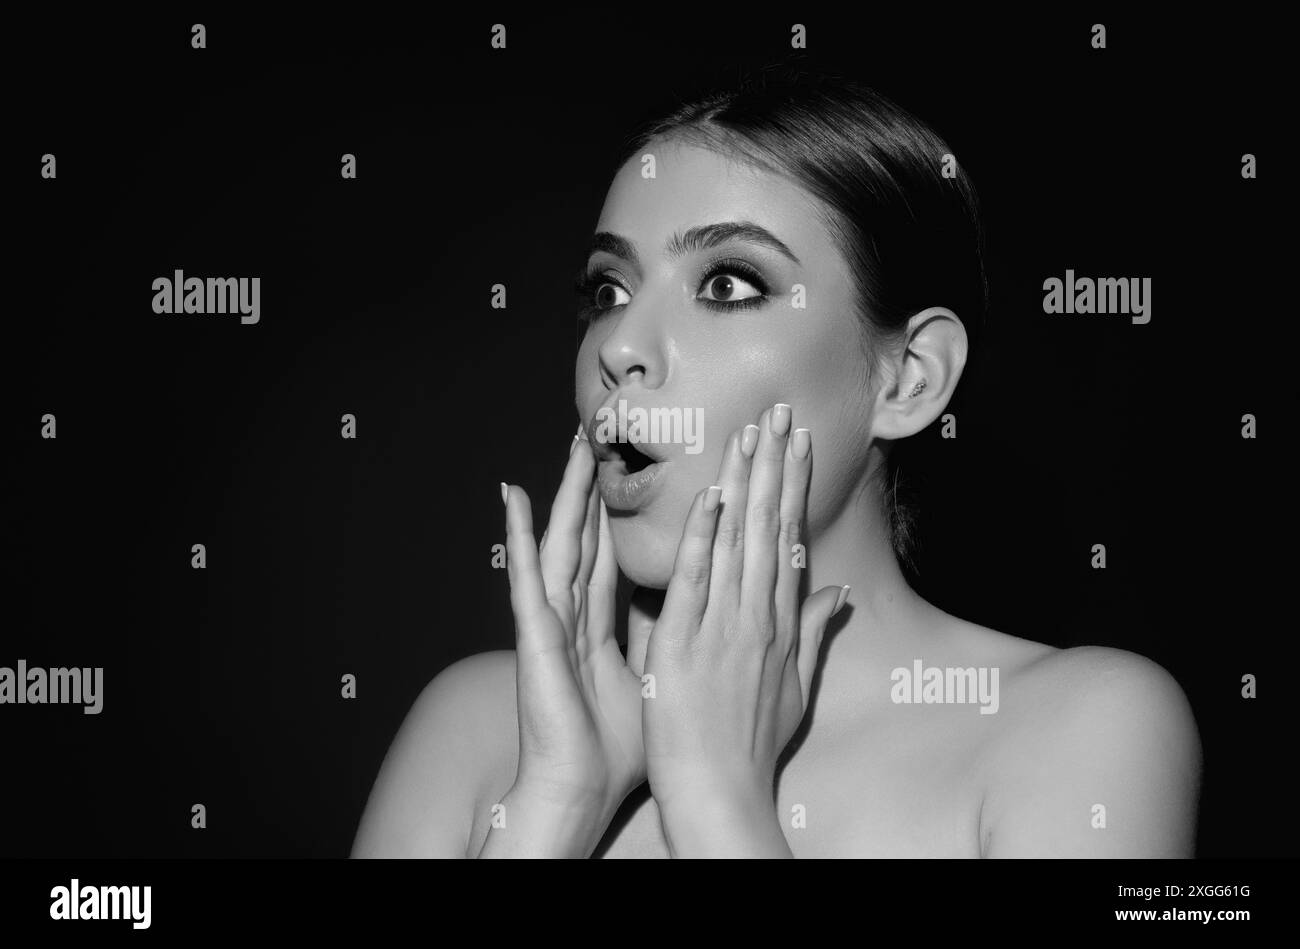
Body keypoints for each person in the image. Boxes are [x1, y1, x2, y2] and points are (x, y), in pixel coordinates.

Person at [351, 65, 1201, 858]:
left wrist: (720, 803)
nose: (621, 347)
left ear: (909, 378)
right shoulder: (474, 728)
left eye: (727, 284)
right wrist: (556, 801)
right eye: (608, 290)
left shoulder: (1086, 724)